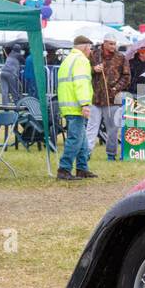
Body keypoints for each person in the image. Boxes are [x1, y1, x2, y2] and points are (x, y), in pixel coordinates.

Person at [56, 36, 95, 181]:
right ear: (85, 47)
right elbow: (81, 83)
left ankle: (82, 169)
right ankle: (64, 169)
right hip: (77, 106)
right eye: (90, 48)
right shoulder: (82, 60)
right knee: (76, 139)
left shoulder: (68, 60)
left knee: (82, 139)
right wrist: (85, 104)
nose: (91, 51)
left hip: (68, 105)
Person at [87, 37, 130, 161]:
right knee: (91, 127)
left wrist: (116, 88)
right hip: (95, 97)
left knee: (112, 129)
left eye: (115, 44)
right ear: (104, 43)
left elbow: (126, 76)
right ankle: (86, 153)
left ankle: (111, 154)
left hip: (113, 99)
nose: (113, 46)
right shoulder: (93, 55)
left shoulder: (121, 57)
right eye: (111, 44)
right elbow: (84, 71)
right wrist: (93, 70)